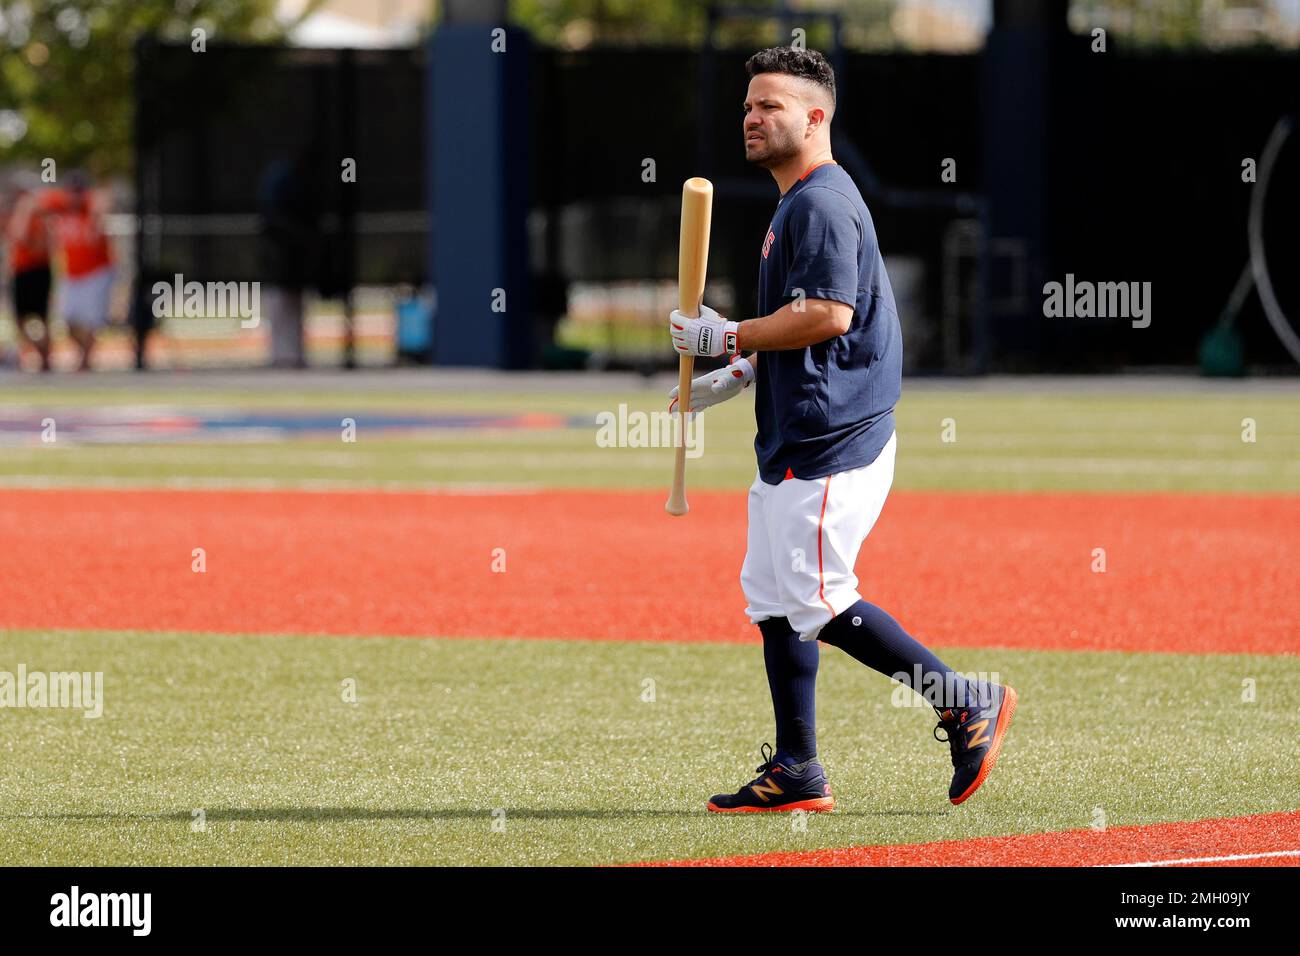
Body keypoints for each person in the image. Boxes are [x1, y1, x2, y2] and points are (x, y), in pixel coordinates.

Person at [667, 47, 1017, 813]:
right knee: (772, 597)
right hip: (796, 435)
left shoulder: (820, 203)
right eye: (749, 106)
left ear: (816, 116)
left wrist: (724, 339)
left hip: (831, 441)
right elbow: (804, 332)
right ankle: (798, 769)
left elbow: (830, 315)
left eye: (772, 106)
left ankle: (963, 697)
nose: (753, 119)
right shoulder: (796, 204)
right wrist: (732, 371)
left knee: (818, 598)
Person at [51, 171, 114, 371]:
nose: (74, 196)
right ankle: (84, 356)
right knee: (67, 322)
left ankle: (85, 362)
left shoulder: (93, 211)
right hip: (71, 274)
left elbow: (97, 229)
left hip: (95, 273)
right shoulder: (62, 212)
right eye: (71, 192)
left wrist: (95, 208)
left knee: (91, 322)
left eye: (79, 192)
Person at [4, 173, 57, 371]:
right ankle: (42, 355)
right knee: (30, 318)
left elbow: (21, 236)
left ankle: (44, 357)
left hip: (31, 270)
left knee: (33, 317)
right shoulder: (29, 210)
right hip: (29, 269)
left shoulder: (31, 208)